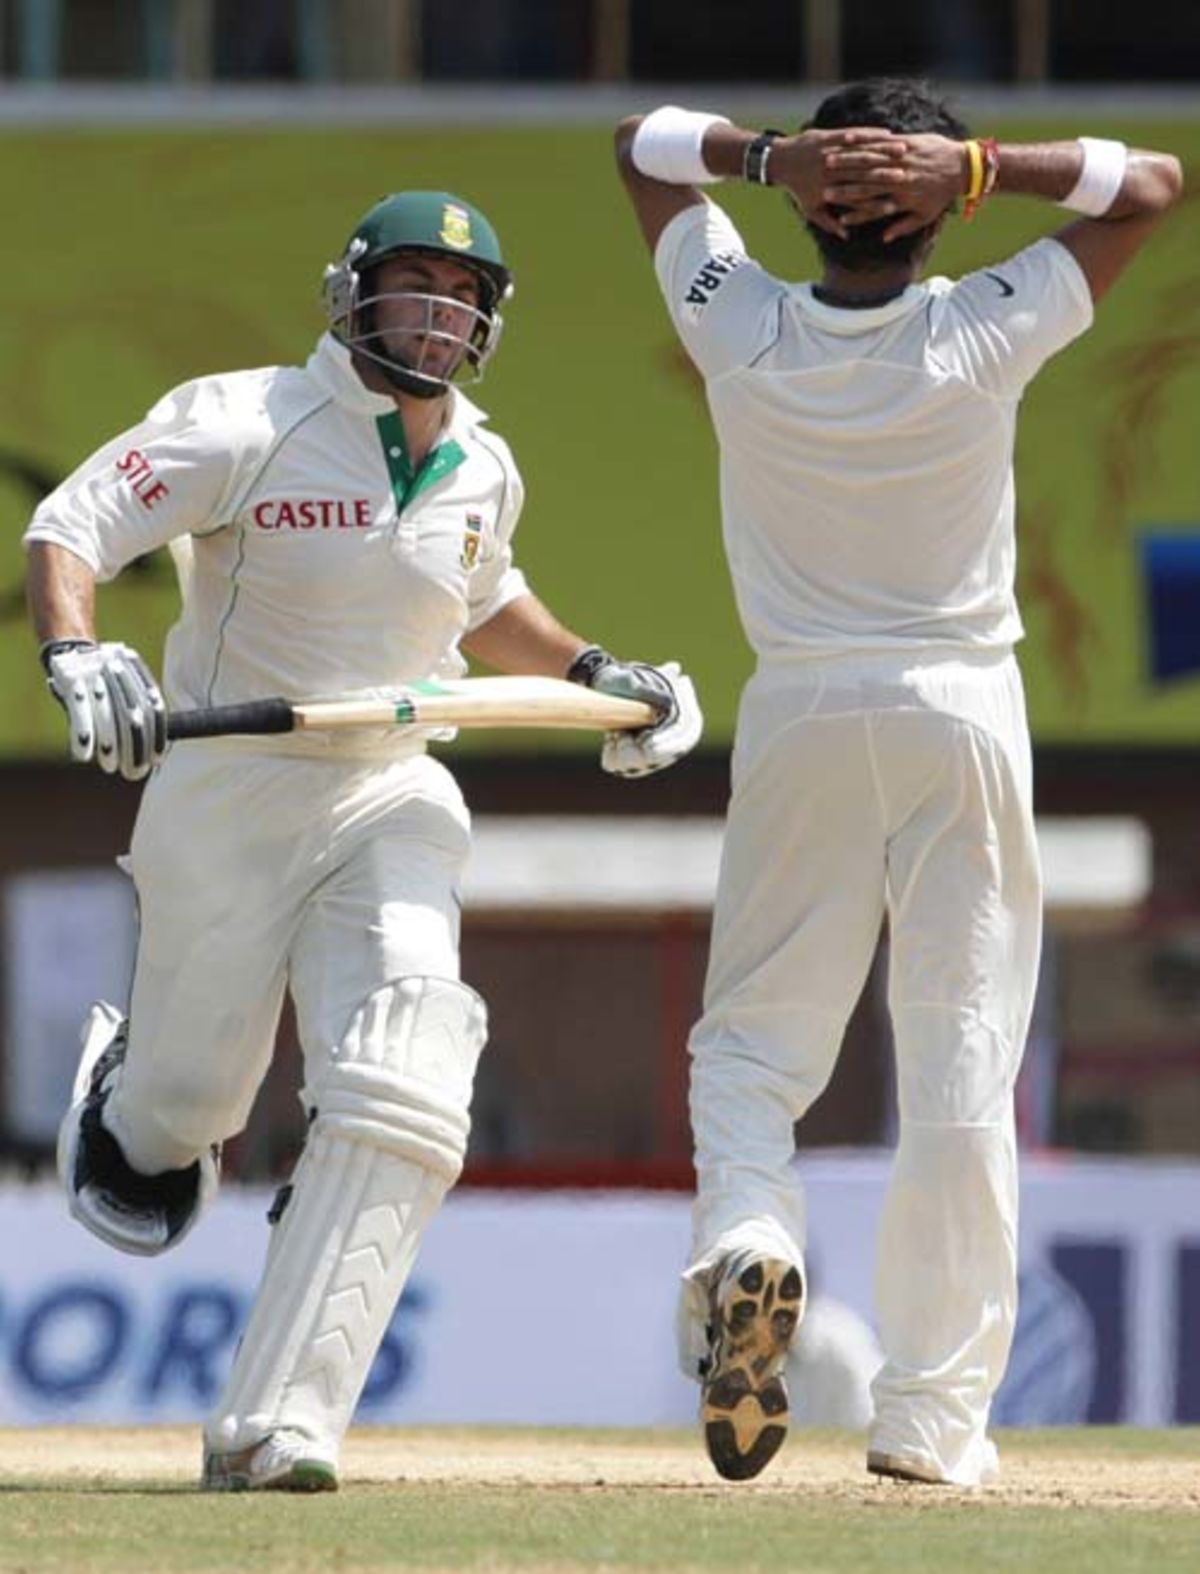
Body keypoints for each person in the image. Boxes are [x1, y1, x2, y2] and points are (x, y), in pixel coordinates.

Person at [24, 188, 702, 1491]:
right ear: (353, 292)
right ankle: (132, 1108)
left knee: (411, 1070)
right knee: (181, 1125)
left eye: (462, 296)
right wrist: (77, 650)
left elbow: (485, 593)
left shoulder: (486, 465)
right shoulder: (249, 420)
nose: (438, 312)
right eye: (414, 285)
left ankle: (279, 1424)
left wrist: (598, 673)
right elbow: (73, 522)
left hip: (389, 787)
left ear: (486, 322)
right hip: (227, 799)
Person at [615, 80, 1180, 1486]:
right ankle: (931, 1423)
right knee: (961, 1065)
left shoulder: (738, 321)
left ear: (810, 210)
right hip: (961, 708)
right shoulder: (983, 325)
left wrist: (764, 157)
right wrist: (983, 164)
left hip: (803, 702)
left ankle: (749, 1235)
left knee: (750, 1046)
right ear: (934, 215)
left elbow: (635, 151)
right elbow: (1153, 186)